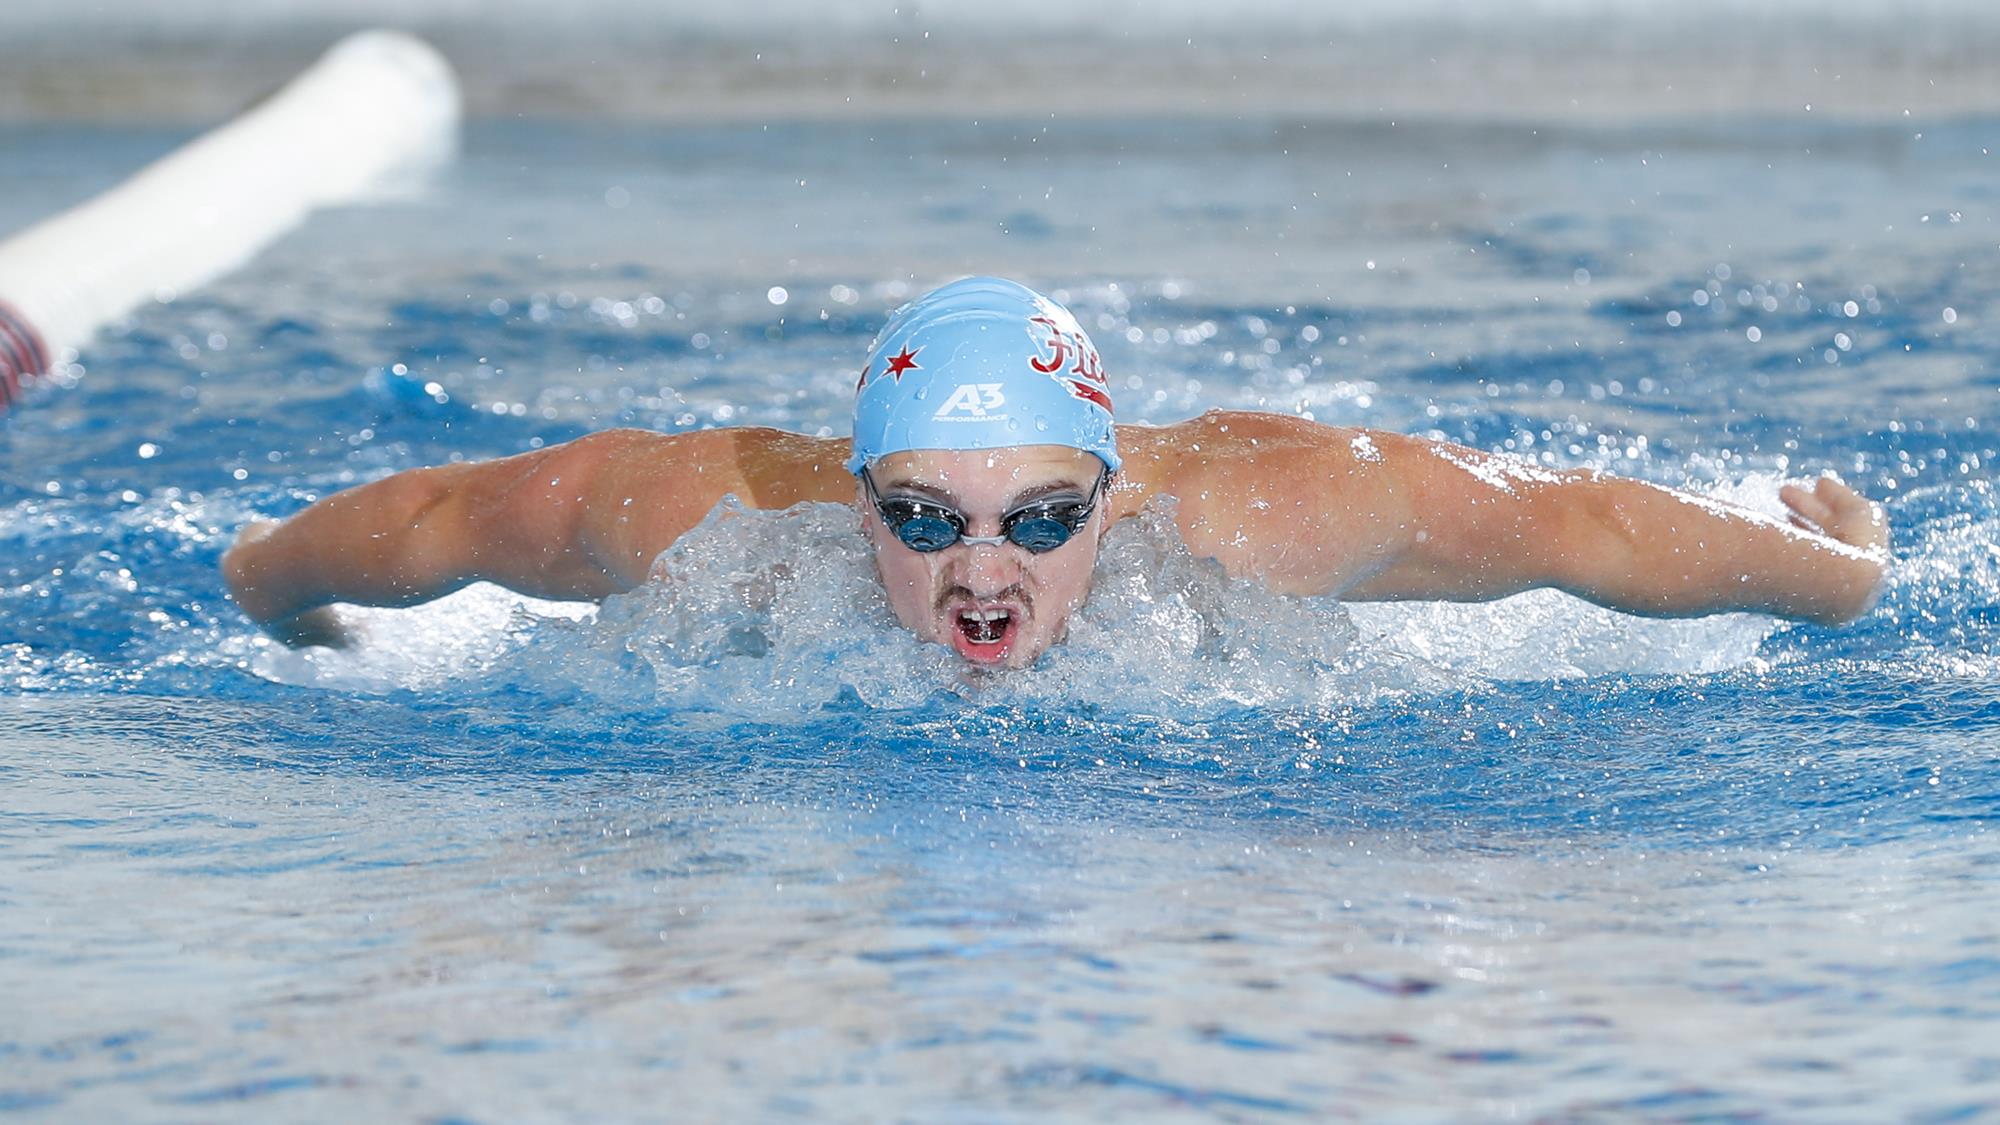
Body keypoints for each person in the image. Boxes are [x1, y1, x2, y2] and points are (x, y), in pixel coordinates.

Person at [223, 277, 1890, 668]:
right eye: (925, 521)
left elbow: (1577, 529)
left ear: (1112, 493)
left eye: (1041, 518)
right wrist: (266, 598)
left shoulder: (1268, 518)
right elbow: (440, 518)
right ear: (853, 496)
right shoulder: (712, 517)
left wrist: (1845, 573)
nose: (982, 576)